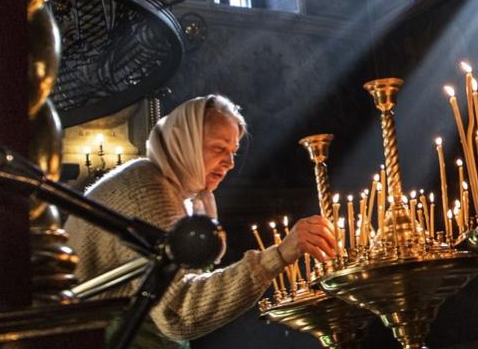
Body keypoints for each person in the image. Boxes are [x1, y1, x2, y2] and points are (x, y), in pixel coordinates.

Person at [64, 95, 336, 348]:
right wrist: (280, 255)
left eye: (233, 151)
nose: (229, 163)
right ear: (184, 142)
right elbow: (179, 312)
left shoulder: (180, 193)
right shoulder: (145, 188)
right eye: (218, 148)